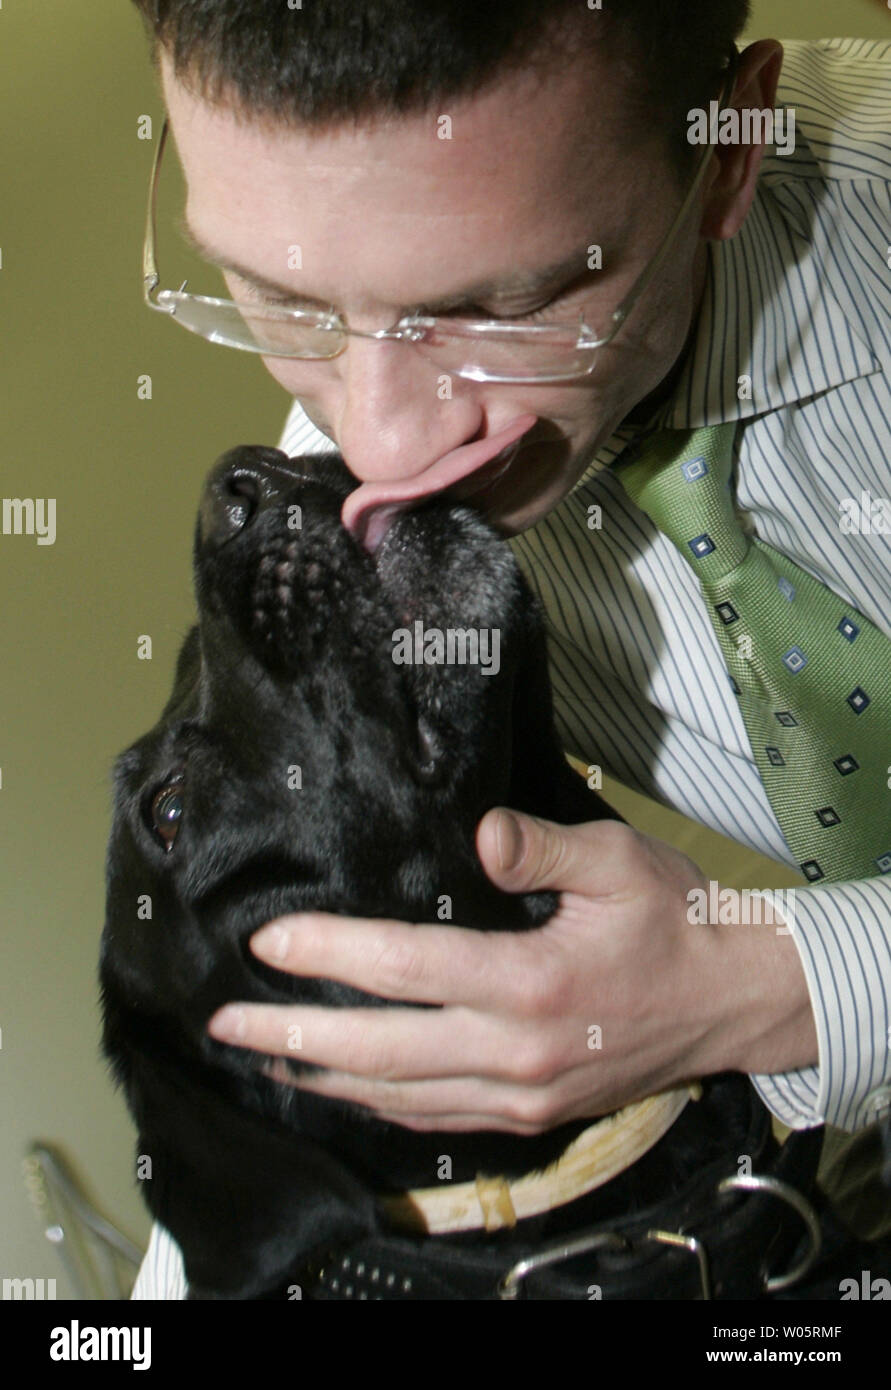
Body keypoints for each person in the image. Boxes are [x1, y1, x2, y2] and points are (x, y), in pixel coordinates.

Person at [128, 0, 891, 1299]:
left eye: (501, 307)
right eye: (284, 297)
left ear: (731, 149)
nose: (383, 448)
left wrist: (774, 986)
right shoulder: (361, 520)